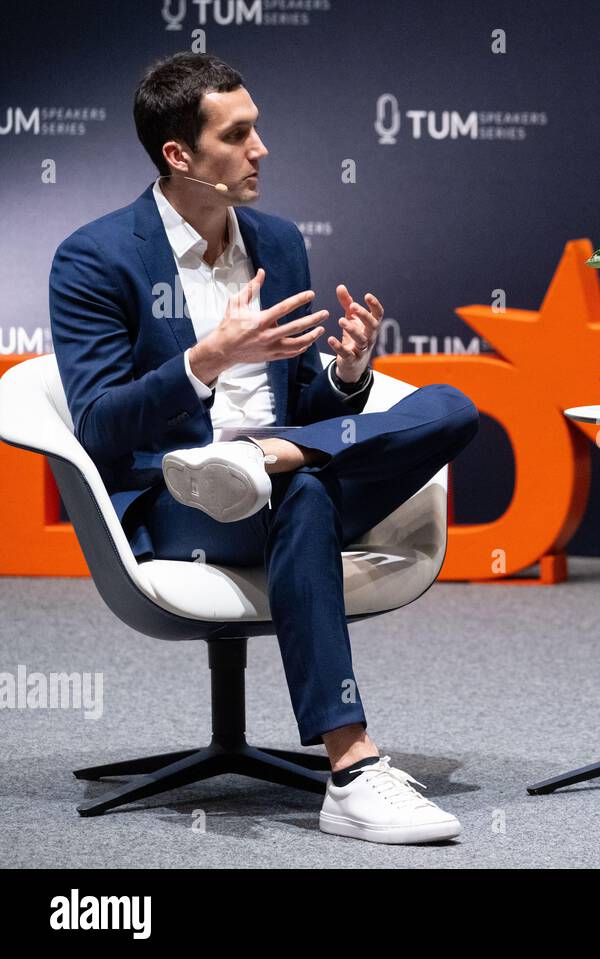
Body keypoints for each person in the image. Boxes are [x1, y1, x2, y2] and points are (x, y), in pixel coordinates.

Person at [48, 52, 479, 845]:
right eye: (238, 133)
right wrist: (204, 359)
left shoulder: (278, 242)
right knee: (305, 492)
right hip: (179, 498)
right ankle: (351, 769)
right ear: (179, 155)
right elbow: (101, 428)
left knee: (452, 408)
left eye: (259, 128)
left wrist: (348, 375)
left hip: (280, 474)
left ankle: (274, 460)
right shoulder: (96, 257)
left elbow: (307, 403)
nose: (261, 149)